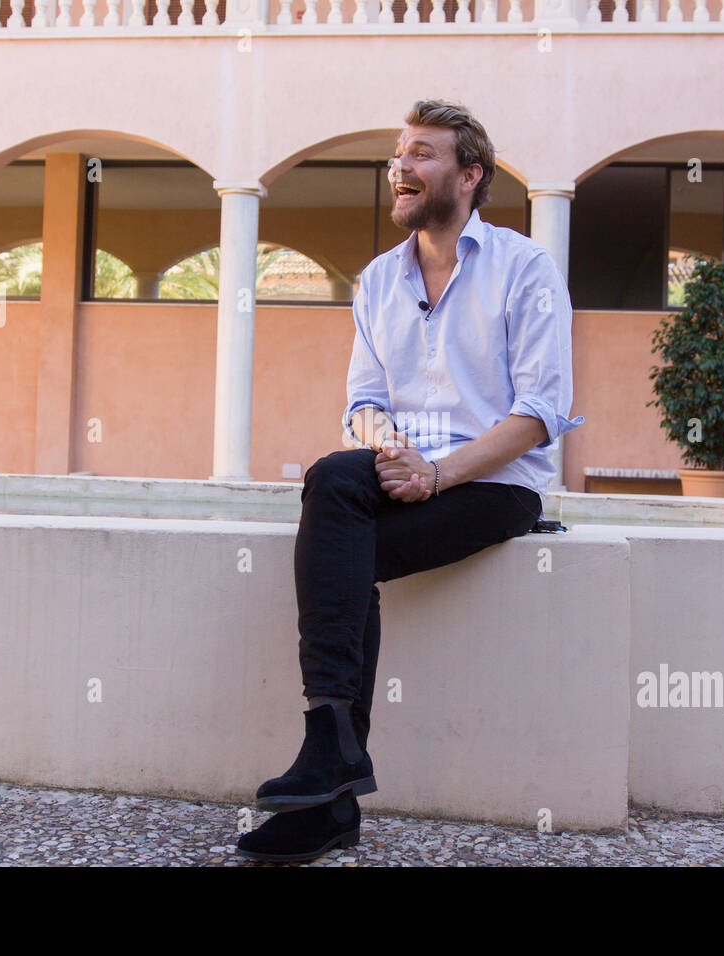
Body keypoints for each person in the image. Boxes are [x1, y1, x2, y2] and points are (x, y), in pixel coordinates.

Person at [235, 99, 584, 863]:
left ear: (469, 175)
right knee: (336, 479)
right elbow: (362, 402)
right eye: (399, 153)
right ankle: (332, 753)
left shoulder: (525, 267)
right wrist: (389, 448)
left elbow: (541, 413)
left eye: (422, 153)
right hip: (400, 470)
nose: (401, 166)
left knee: (338, 535)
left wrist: (436, 472)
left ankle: (329, 788)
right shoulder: (378, 279)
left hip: (494, 482)